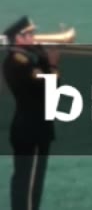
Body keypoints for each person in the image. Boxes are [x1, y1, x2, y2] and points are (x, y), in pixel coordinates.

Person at [2, 16, 59, 210]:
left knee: (26, 182)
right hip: (33, 129)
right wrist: (52, 65)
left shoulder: (22, 60)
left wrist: (42, 59)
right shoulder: (21, 62)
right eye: (30, 34)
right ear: (19, 38)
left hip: (28, 127)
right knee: (29, 185)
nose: (35, 38)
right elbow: (51, 89)